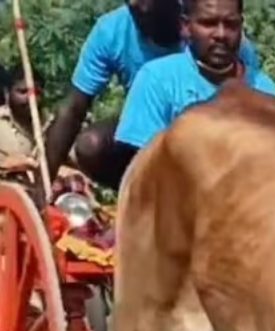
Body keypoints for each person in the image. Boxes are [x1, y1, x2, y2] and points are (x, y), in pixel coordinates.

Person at [42, 0, 263, 190]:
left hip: (213, 135)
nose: (139, 7)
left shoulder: (223, 42)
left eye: (150, 5)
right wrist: (43, 184)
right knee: (92, 145)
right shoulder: (112, 31)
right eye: (134, 5)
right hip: (148, 134)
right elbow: (73, 109)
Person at [109, 0, 275, 179]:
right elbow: (141, 164)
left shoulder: (264, 90)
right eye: (208, 23)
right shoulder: (156, 79)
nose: (221, 34)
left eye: (231, 24)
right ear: (186, 27)